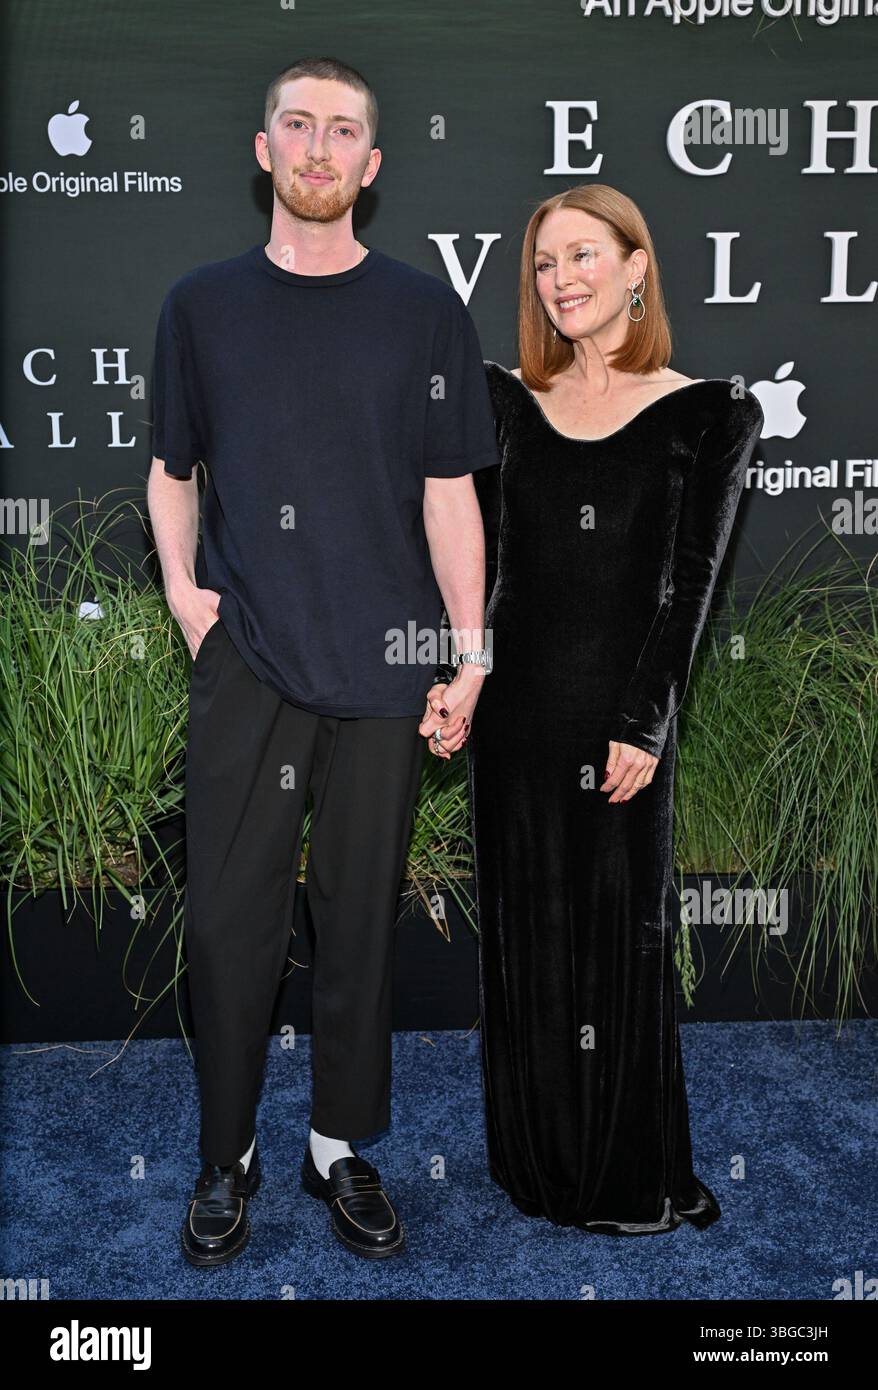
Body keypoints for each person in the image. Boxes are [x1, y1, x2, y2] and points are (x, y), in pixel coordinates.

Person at [147, 56, 498, 1266]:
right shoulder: (201, 306)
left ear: (371, 163)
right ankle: (227, 1153)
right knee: (227, 924)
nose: (316, 147)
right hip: (246, 654)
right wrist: (185, 595)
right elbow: (171, 469)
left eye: (341, 130)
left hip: (385, 665)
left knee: (357, 921)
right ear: (264, 151)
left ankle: (337, 1145)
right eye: (296, 125)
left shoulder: (422, 311)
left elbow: (449, 495)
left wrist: (468, 654)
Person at [425, 184, 764, 1234]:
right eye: (542, 263)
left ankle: (632, 1170)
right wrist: (467, 675)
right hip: (516, 721)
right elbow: (488, 569)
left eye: (582, 255)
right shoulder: (503, 402)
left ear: (635, 267)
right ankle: (539, 1165)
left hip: (619, 723)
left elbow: (689, 590)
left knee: (621, 944)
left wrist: (645, 723)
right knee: (528, 937)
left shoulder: (707, 414)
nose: (560, 279)